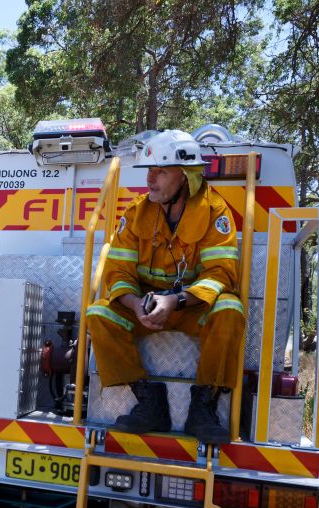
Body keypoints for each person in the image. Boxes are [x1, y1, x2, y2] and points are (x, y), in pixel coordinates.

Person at [85, 129, 245, 443]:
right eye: (150, 171)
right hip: (144, 308)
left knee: (229, 308)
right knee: (98, 313)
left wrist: (175, 302)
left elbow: (221, 273)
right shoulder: (135, 214)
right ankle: (149, 400)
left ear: (185, 176)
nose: (151, 179)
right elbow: (117, 272)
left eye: (161, 171)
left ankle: (204, 407)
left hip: (191, 308)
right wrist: (136, 305)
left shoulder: (215, 212)